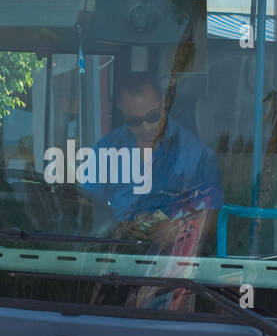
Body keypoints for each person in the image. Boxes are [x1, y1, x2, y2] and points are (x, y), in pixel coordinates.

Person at [84, 72, 222, 248]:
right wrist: (116, 226)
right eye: (134, 121)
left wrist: (177, 227)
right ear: (120, 108)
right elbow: (88, 206)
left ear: (164, 103)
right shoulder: (106, 148)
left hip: (173, 257)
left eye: (153, 117)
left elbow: (214, 216)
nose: (146, 127)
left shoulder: (195, 153)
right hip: (116, 251)